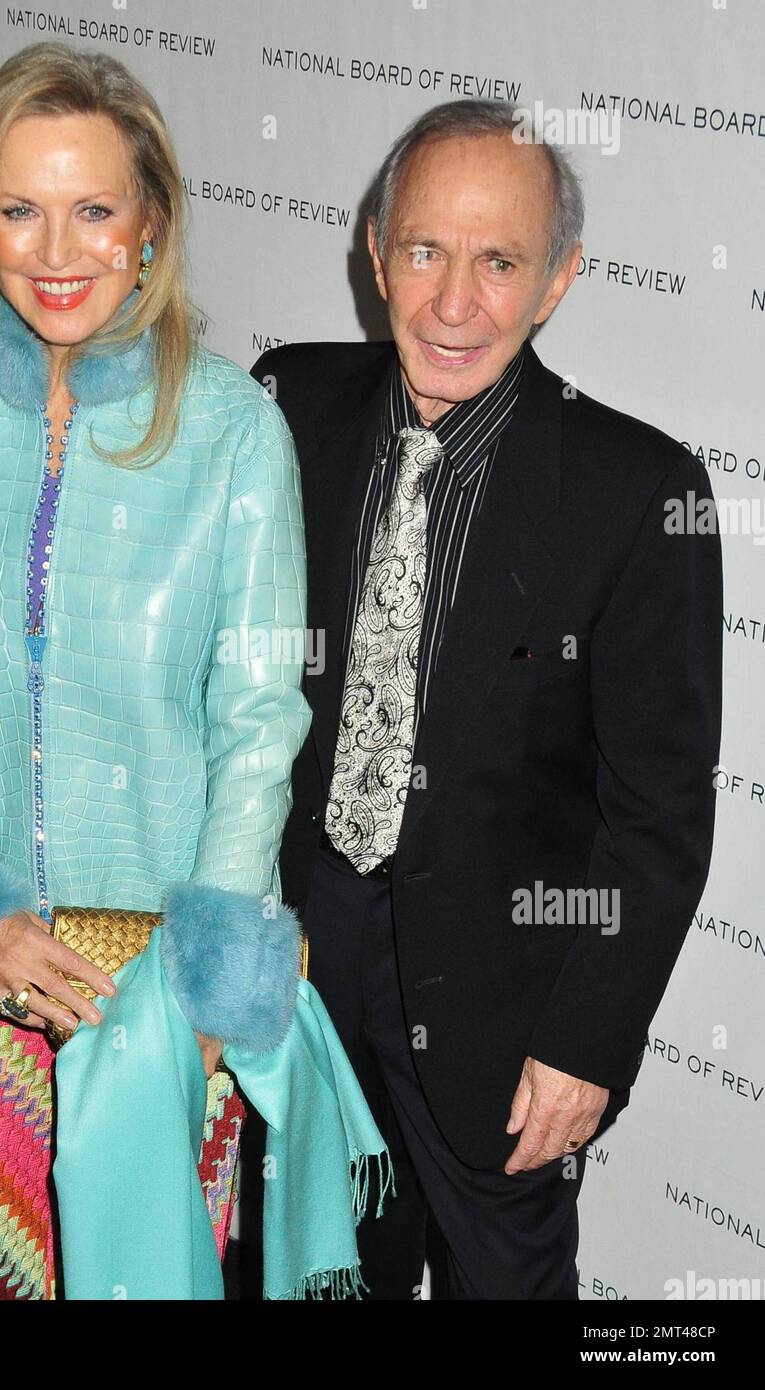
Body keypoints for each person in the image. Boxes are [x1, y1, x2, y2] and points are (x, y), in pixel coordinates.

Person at [0, 42, 389, 1302]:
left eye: (92, 208)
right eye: (18, 209)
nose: (54, 248)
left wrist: (212, 951)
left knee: (150, 1276)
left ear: (150, 222)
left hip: (164, 972)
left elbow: (255, 718)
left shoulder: (232, 430)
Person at [252, 98, 723, 1300]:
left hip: (504, 999)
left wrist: (583, 1042)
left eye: (498, 261)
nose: (453, 303)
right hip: (300, 949)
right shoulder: (282, 406)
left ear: (556, 277)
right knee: (318, 1272)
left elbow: (656, 812)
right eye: (423, 251)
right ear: (373, 250)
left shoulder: (634, 490)